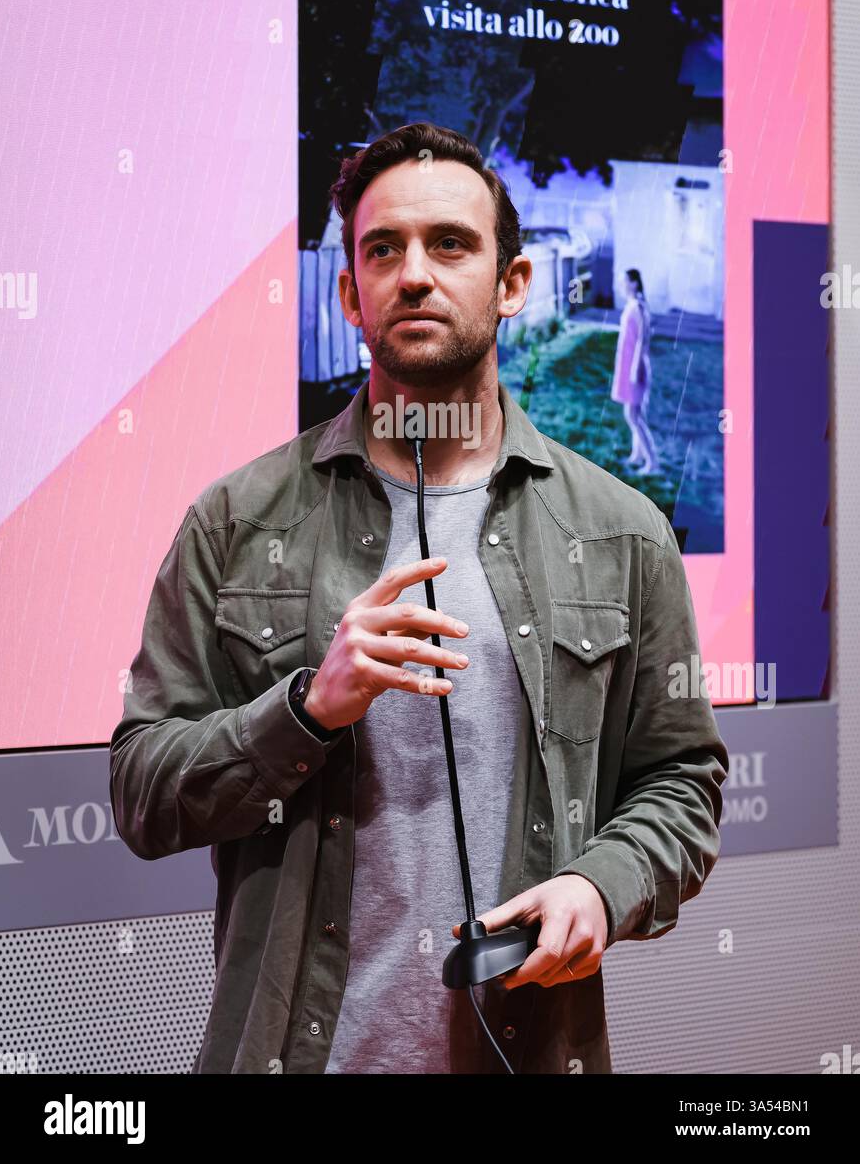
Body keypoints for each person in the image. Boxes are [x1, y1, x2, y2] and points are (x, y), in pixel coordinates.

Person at [109, 121, 728, 1075]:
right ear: (352, 293)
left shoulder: (624, 534)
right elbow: (144, 794)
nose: (416, 274)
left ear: (512, 282)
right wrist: (308, 710)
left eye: (451, 243)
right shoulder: (234, 520)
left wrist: (602, 889)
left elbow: (681, 783)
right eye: (383, 249)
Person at [611, 267, 660, 474]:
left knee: (634, 415)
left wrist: (634, 370)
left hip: (636, 368)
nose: (622, 286)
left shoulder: (639, 307)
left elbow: (642, 340)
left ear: (634, 283)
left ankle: (653, 463)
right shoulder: (632, 305)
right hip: (629, 365)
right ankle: (637, 455)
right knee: (632, 413)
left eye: (625, 282)